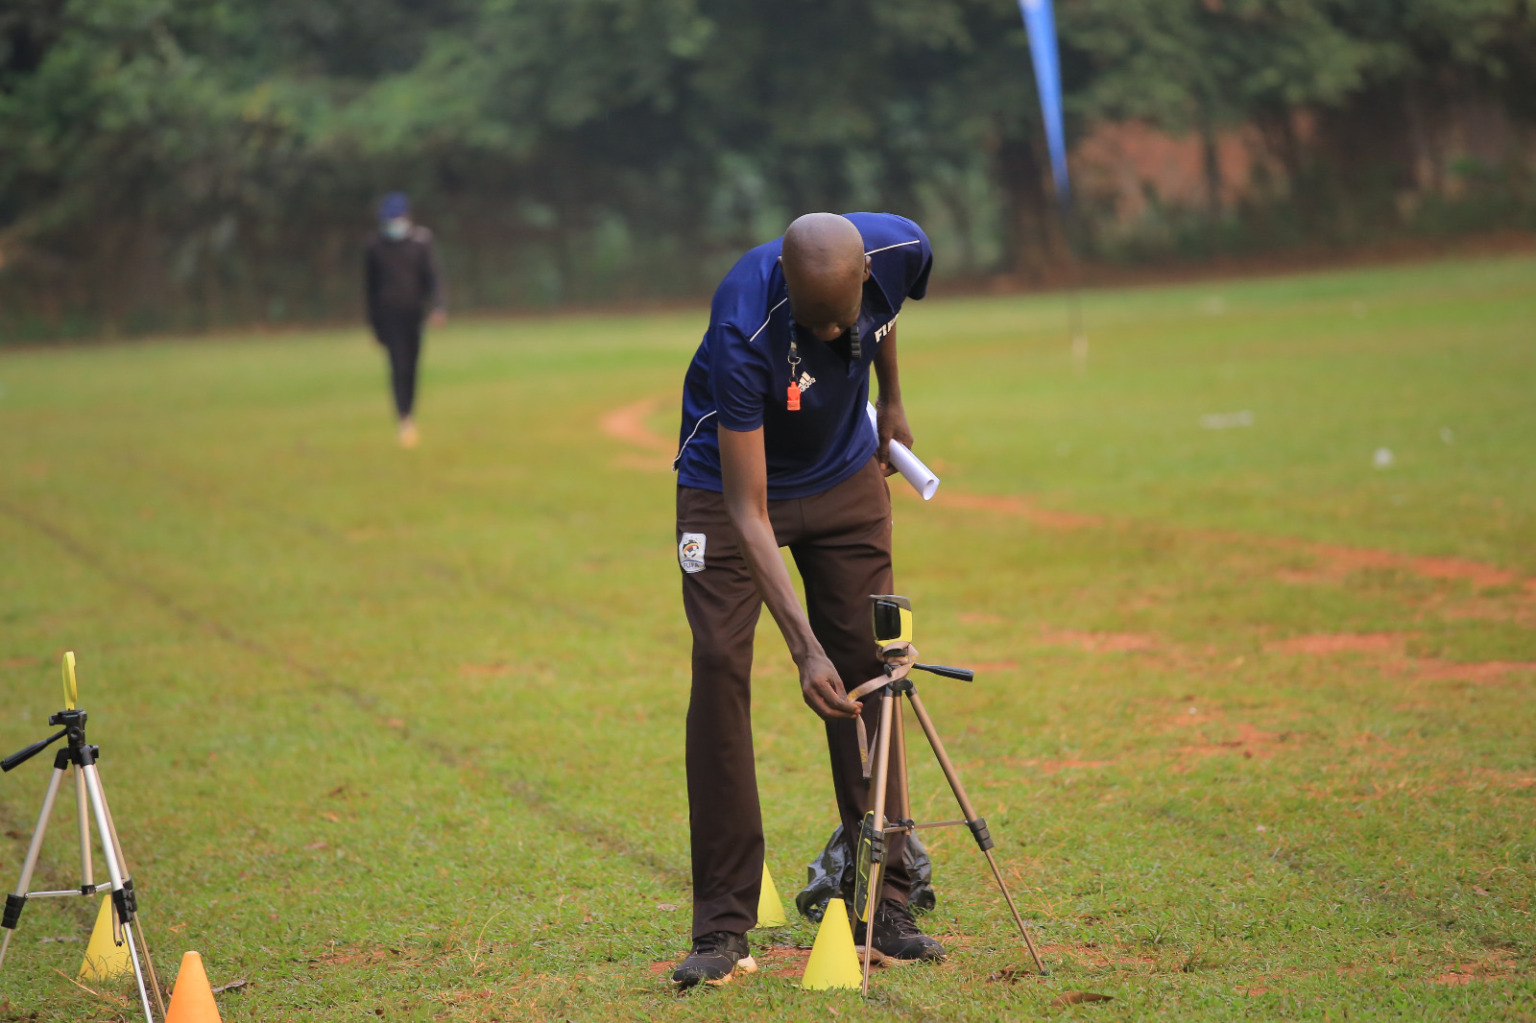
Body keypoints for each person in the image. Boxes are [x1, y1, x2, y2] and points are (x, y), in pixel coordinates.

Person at [670, 211, 943, 988]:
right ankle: (722, 925)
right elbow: (749, 511)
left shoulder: (898, 251)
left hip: (845, 475)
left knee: (875, 668)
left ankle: (886, 902)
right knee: (721, 667)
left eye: (843, 317)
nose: (831, 334)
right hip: (730, 491)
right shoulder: (743, 324)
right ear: (786, 286)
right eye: (814, 321)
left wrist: (891, 401)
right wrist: (803, 647)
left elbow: (884, 318)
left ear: (864, 275)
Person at [364, 192, 446, 449]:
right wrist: (375, 326)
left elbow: (433, 277)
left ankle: (409, 414)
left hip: (414, 315)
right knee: (398, 366)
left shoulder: (421, 242)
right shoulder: (374, 246)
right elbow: (369, 288)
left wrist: (439, 307)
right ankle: (404, 418)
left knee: (411, 366)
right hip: (389, 317)